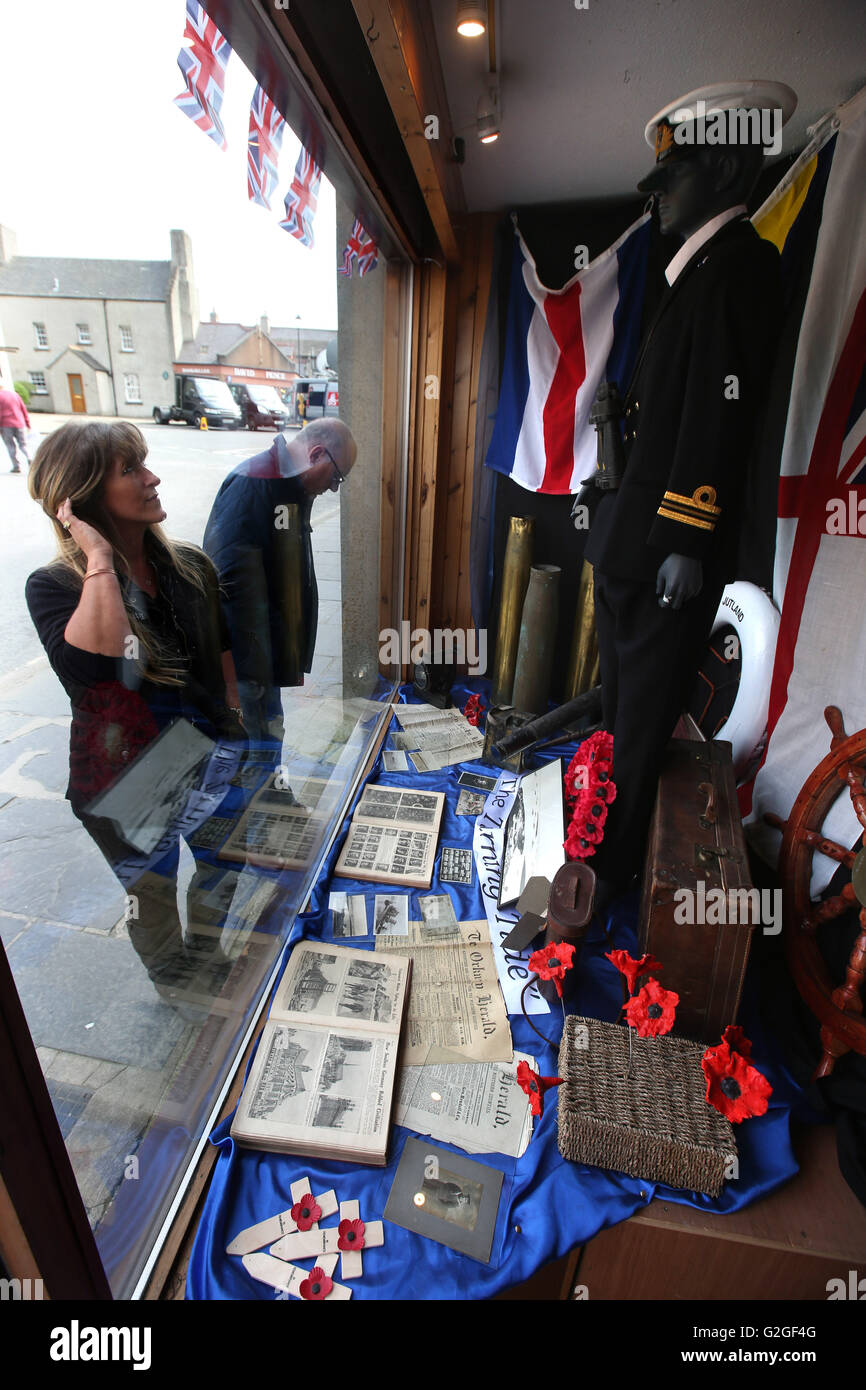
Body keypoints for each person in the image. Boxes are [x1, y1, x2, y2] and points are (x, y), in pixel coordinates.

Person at [578, 84, 791, 900]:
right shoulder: (698, 273)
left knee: (637, 731)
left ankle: (610, 881)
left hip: (665, 551)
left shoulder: (740, 267)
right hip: (638, 542)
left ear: (730, 164)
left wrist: (686, 538)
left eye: (676, 174)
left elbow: (719, 412)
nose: (657, 193)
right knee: (619, 712)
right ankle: (596, 852)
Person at [25, 420, 245, 1001]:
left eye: (145, 465)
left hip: (203, 753)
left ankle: (208, 951)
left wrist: (234, 717)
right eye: (132, 470)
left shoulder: (189, 565)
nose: (153, 479)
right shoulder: (56, 585)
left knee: (226, 863)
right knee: (149, 894)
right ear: (85, 497)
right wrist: (98, 555)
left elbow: (220, 645)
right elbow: (95, 673)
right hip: (126, 778)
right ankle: (176, 984)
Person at [203, 417, 357, 741]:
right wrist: (246, 679)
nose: (334, 487)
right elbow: (227, 587)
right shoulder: (256, 482)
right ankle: (266, 789)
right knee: (254, 743)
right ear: (316, 454)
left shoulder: (290, 487)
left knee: (270, 733)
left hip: (264, 661)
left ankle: (272, 788)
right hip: (250, 666)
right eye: (337, 475)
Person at [0, 380, 32, 472]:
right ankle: (30, 458)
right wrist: (28, 423)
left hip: (5, 425)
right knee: (23, 445)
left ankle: (16, 466)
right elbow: (23, 409)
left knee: (10, 446)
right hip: (19, 423)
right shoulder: (15, 395)